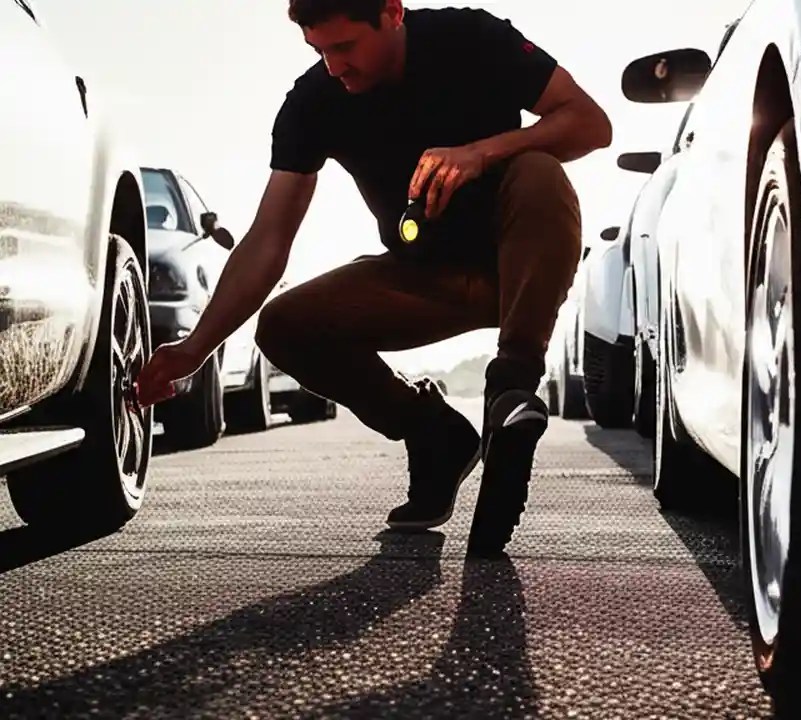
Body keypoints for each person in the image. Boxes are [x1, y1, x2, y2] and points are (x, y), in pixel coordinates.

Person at [133, 0, 612, 557]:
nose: (334, 66)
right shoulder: (313, 102)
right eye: (319, 50)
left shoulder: (471, 37)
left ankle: (511, 391)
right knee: (284, 325)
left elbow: (590, 123)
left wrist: (482, 153)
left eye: (345, 47)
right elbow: (267, 240)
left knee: (538, 171)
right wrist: (194, 349)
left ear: (391, 12)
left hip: (522, 265)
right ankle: (434, 434)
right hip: (423, 280)